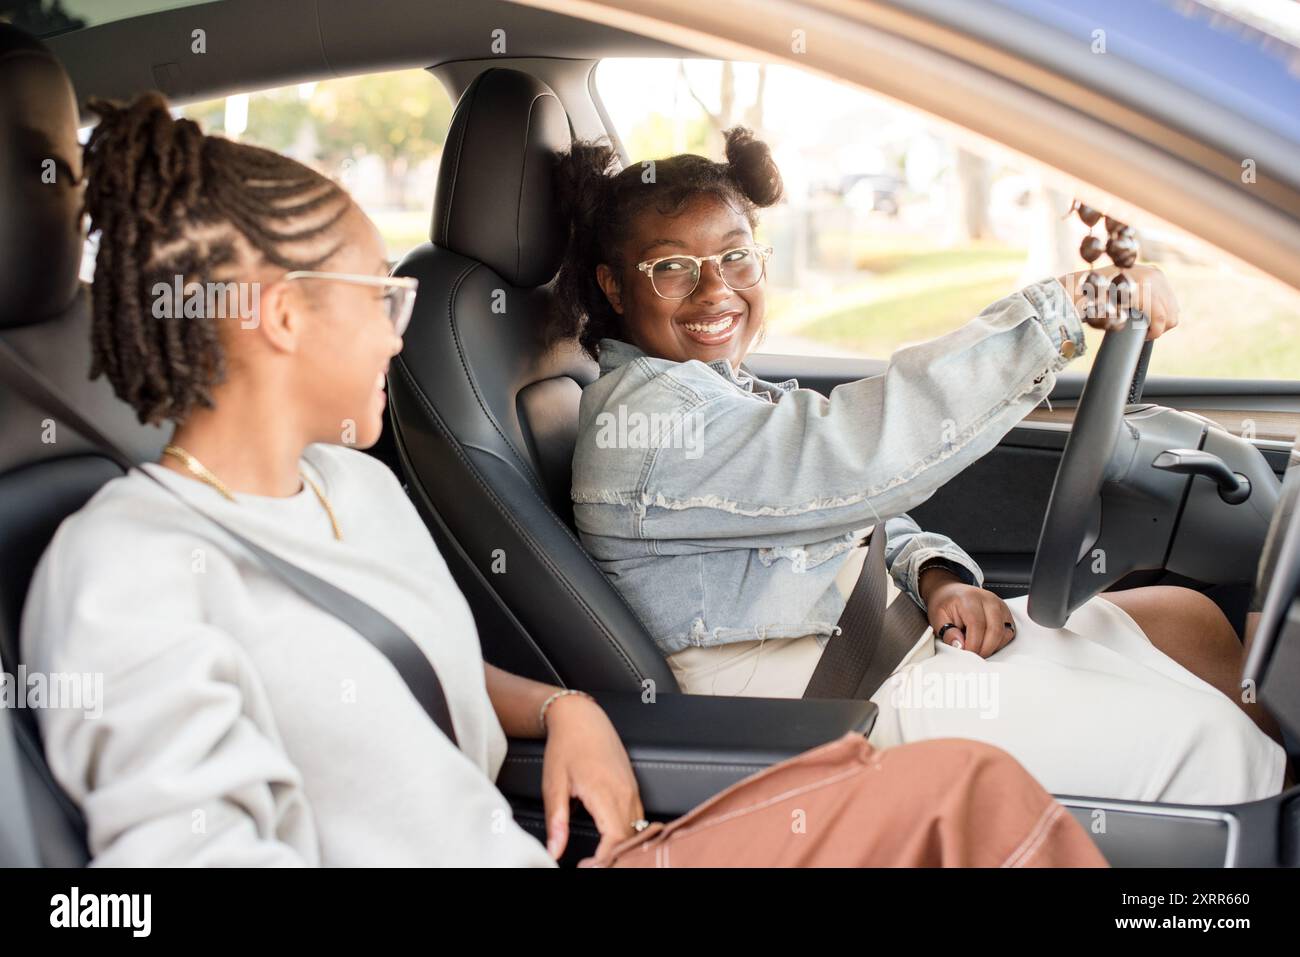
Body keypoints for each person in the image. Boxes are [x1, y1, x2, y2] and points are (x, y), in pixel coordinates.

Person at [18, 91, 1106, 868]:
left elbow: (422, 669)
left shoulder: (352, 491)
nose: (399, 340)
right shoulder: (127, 566)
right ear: (285, 315)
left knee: (961, 795)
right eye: (379, 302)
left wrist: (563, 706)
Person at [555, 128, 1288, 806]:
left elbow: (838, 509)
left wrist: (937, 576)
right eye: (673, 268)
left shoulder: (714, 388)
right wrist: (1069, 306)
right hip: (853, 710)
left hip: (914, 646)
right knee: (1216, 749)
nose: (715, 289)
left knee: (1189, 626)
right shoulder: (650, 430)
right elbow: (853, 457)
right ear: (616, 287)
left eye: (735, 256)